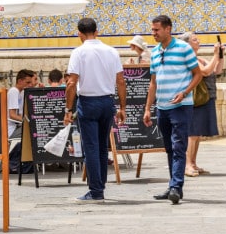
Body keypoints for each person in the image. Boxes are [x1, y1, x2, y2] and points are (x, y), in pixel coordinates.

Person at [62, 18, 127, 202]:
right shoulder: (112, 51)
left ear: (79, 34)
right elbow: (121, 81)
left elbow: (72, 83)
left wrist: (68, 109)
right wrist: (122, 107)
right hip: (107, 102)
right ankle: (100, 185)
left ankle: (96, 190)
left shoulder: (78, 53)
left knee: (90, 146)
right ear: (97, 31)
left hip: (88, 102)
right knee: (101, 147)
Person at [143, 14, 202, 204]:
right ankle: (173, 185)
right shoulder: (155, 52)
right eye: (152, 30)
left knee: (178, 146)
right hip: (162, 107)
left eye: (156, 30)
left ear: (168, 29)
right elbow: (153, 83)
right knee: (169, 148)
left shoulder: (184, 49)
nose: (153, 33)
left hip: (180, 106)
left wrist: (184, 93)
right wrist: (147, 109)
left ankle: (176, 186)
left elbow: (198, 75)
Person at [178, 32, 224, 177]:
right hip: (195, 99)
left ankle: (193, 162)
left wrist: (220, 56)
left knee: (197, 134)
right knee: (192, 133)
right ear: (187, 44)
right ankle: (188, 165)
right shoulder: (189, 58)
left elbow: (216, 70)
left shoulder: (199, 58)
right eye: (194, 39)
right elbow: (204, 71)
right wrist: (215, 55)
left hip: (205, 97)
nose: (198, 41)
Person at [6, 69, 36, 140]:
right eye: (27, 82)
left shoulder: (20, 92)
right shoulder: (14, 91)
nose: (30, 85)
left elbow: (19, 114)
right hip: (12, 129)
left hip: (17, 127)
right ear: (19, 81)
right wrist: (27, 122)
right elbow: (12, 115)